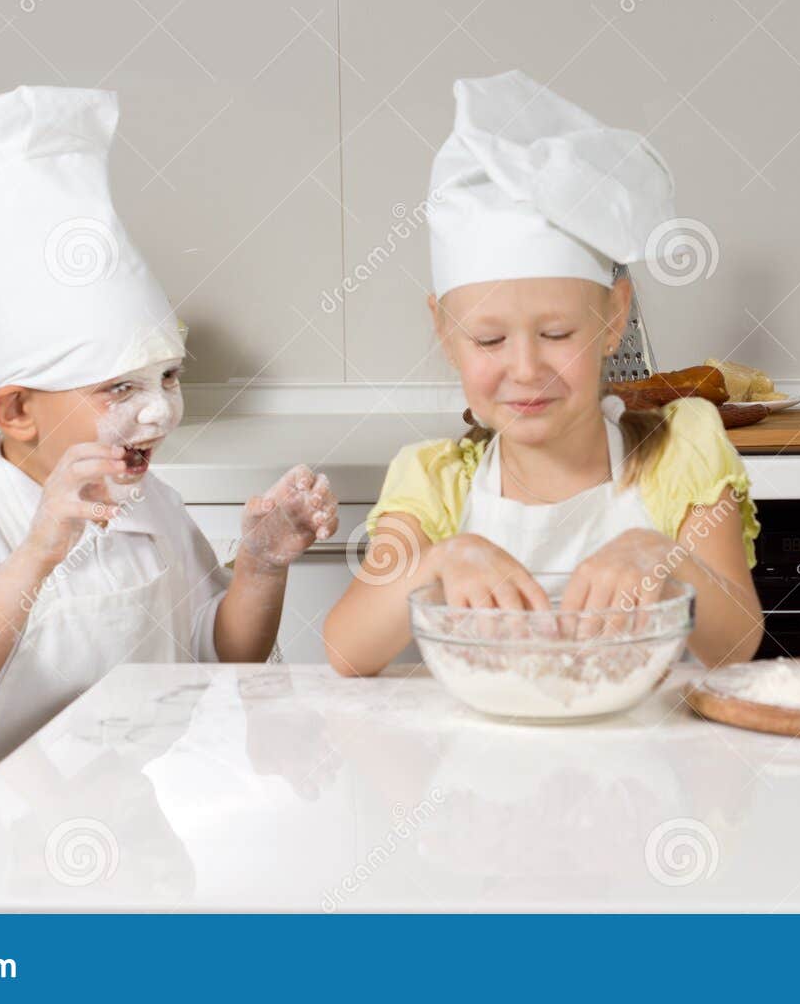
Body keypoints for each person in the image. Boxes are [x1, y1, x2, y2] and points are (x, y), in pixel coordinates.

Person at [0, 86, 336, 785]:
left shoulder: (155, 509)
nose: (159, 413)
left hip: (156, 845)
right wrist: (36, 555)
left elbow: (221, 653)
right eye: (120, 388)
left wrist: (261, 567)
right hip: (17, 866)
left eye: (167, 376)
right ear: (18, 410)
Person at [324, 71, 763, 677]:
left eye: (557, 335)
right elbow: (347, 651)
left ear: (615, 317)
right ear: (446, 334)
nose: (526, 369)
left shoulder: (678, 458)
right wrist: (441, 560)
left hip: (643, 759)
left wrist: (663, 556)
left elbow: (737, 644)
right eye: (489, 338)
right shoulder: (434, 486)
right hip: (478, 765)